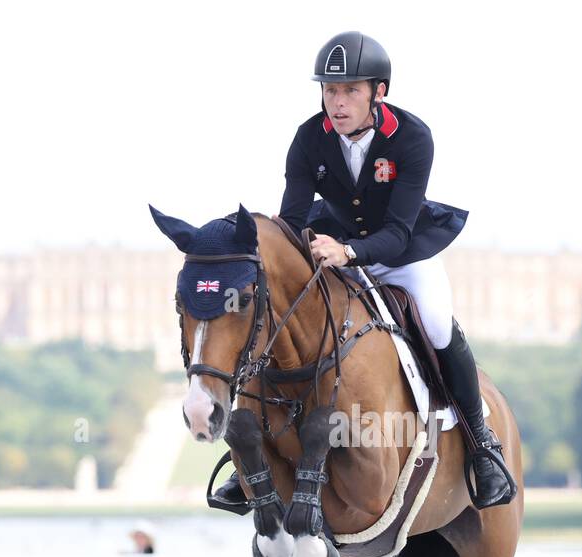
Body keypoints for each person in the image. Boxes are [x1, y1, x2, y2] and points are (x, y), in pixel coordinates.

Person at [210, 30, 515, 511]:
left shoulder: (412, 138)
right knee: (283, 317)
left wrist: (349, 254)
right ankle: (253, 449)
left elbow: (396, 231)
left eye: (351, 89)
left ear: (380, 92)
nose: (338, 101)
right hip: (330, 246)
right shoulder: (310, 137)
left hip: (401, 253)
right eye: (330, 90)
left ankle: (482, 447)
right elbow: (292, 220)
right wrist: (294, 250)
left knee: (435, 321)